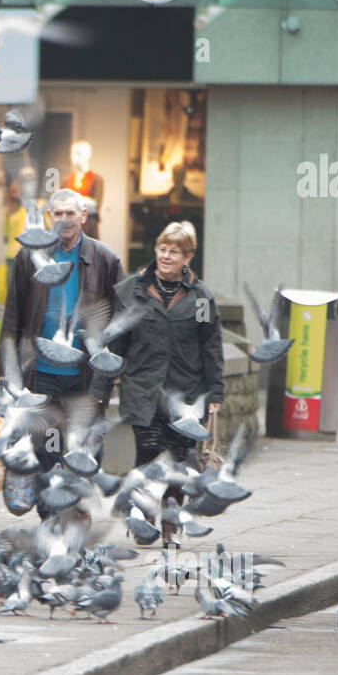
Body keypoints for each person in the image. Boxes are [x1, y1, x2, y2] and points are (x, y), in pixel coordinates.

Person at [109, 221, 224, 544]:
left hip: (185, 391)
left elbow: (210, 347)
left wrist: (215, 392)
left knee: (178, 463)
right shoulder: (131, 291)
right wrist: (101, 389)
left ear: (188, 257)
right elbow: (115, 345)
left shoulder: (200, 299)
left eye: (174, 251)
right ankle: (145, 516)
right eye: (162, 249)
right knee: (146, 455)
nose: (166, 256)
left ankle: (170, 525)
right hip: (141, 388)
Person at [0, 188, 125, 401]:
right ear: (48, 217)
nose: (64, 220)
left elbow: (119, 322)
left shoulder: (106, 259)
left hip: (86, 375)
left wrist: (107, 377)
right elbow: (12, 316)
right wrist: (5, 370)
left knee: (83, 434)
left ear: (83, 216)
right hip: (39, 372)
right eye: (58, 214)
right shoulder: (28, 256)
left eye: (70, 213)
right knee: (44, 434)